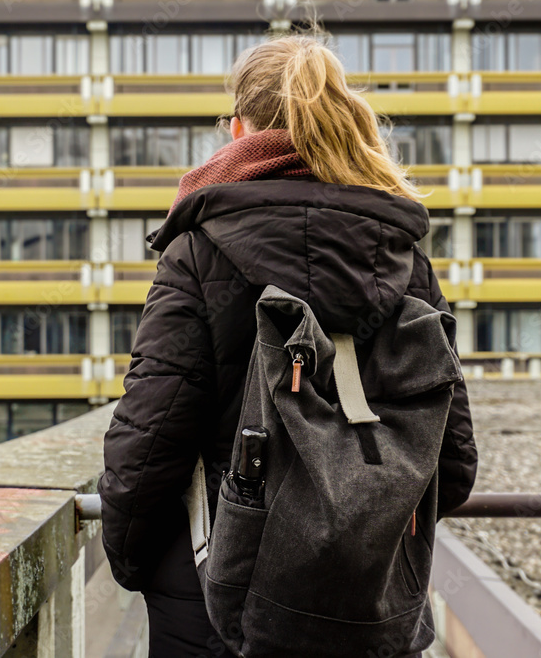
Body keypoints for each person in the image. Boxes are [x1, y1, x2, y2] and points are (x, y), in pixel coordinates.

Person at [99, 34, 477, 657]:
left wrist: (137, 565)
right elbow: (454, 461)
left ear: (241, 128)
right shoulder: (405, 261)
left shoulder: (197, 251)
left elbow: (148, 438)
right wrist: (355, 532)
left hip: (219, 602)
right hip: (369, 613)